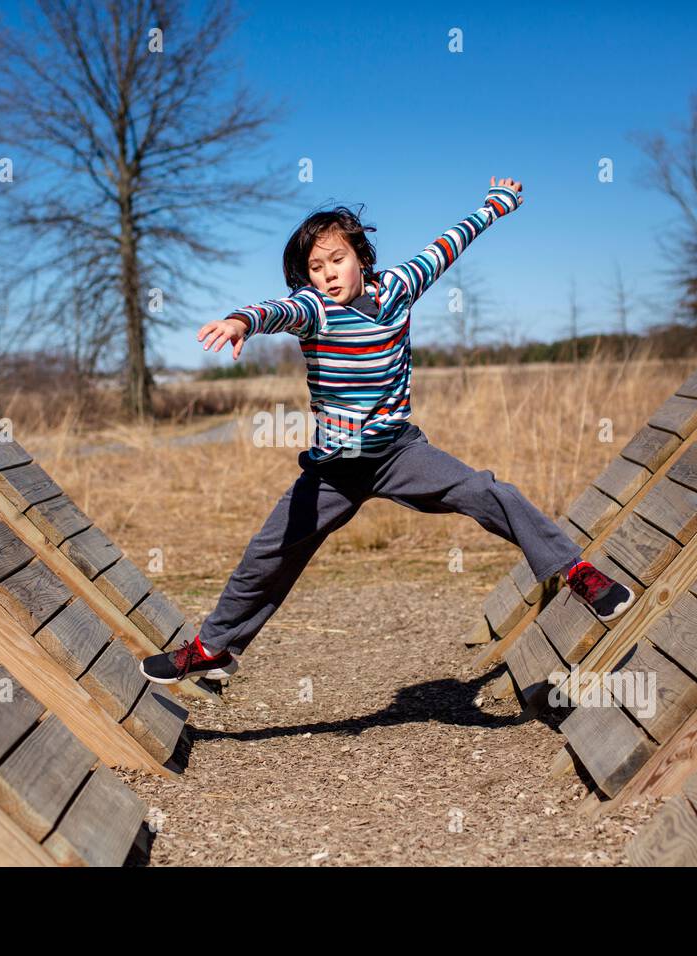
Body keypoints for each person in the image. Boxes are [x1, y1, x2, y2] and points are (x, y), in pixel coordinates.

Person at [140, 177, 632, 685]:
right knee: (268, 551)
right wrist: (242, 321)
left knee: (484, 490)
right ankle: (213, 648)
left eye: (336, 260)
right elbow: (277, 310)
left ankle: (575, 572)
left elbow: (448, 244)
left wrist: (496, 204)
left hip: (399, 452)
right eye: (315, 268)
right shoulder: (315, 310)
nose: (328, 275)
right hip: (334, 469)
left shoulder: (400, 287)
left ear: (360, 255)